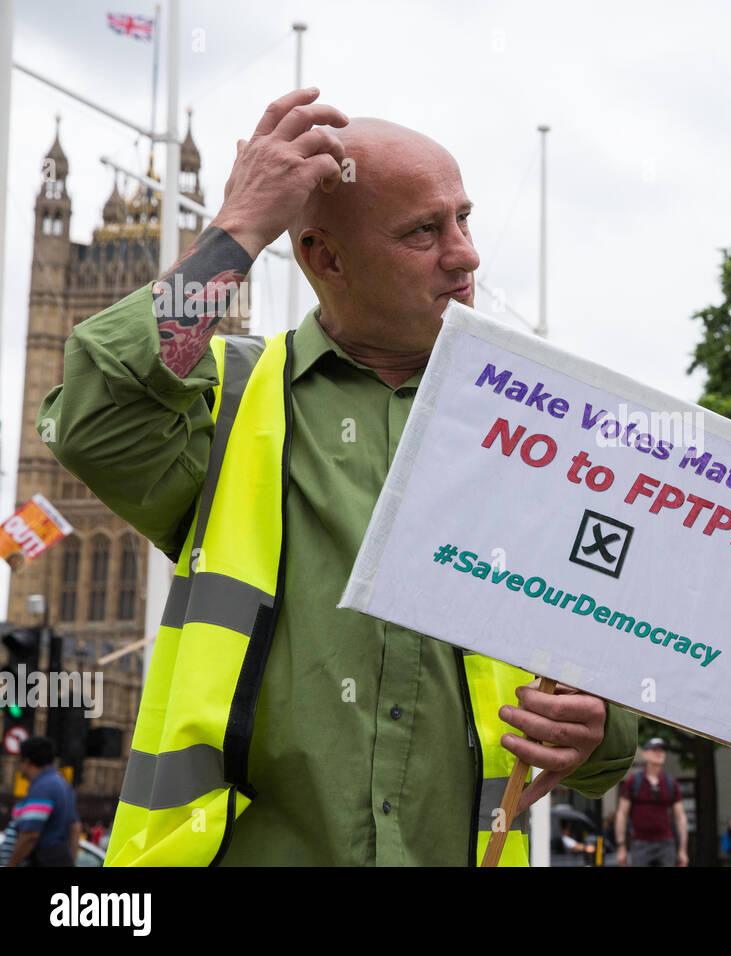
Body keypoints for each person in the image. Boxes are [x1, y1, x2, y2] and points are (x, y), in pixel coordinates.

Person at [38, 88, 637, 866]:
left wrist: (596, 727)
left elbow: (610, 705)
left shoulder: (541, 434)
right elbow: (91, 412)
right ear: (324, 258)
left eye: (464, 218)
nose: (465, 254)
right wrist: (238, 228)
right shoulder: (224, 400)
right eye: (425, 230)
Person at [6, 737, 80, 867]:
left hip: (41, 860)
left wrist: (11, 864)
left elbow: (30, 835)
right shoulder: (63, 784)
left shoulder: (43, 787)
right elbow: (75, 828)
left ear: (27, 761)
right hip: (60, 858)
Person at [615, 738, 688, 866]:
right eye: (655, 750)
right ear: (645, 754)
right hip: (640, 844)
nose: (660, 753)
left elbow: (680, 817)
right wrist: (621, 846)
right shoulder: (633, 781)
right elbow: (622, 813)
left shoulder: (671, 783)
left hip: (666, 844)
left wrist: (682, 849)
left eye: (662, 750)